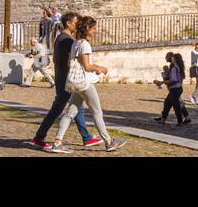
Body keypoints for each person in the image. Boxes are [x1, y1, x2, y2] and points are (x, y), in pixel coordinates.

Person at [51, 16, 127, 152]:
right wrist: (100, 68)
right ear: (87, 28)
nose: (94, 31)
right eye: (93, 29)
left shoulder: (76, 43)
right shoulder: (85, 44)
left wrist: (94, 67)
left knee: (69, 114)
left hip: (76, 83)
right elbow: (86, 66)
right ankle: (109, 142)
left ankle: (57, 142)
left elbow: (73, 63)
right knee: (97, 112)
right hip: (85, 84)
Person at [29, 11, 99, 150]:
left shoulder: (61, 38)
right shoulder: (67, 40)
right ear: (69, 23)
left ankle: (86, 137)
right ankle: (40, 137)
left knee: (75, 108)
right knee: (62, 108)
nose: (79, 25)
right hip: (67, 79)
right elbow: (71, 61)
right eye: (76, 22)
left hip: (63, 78)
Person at [154, 52, 191, 127]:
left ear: (175, 59)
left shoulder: (174, 67)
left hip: (175, 89)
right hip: (177, 88)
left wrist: (162, 82)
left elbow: (174, 80)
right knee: (168, 103)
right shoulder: (178, 67)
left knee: (176, 106)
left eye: (172, 57)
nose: (170, 59)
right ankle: (163, 119)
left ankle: (180, 121)